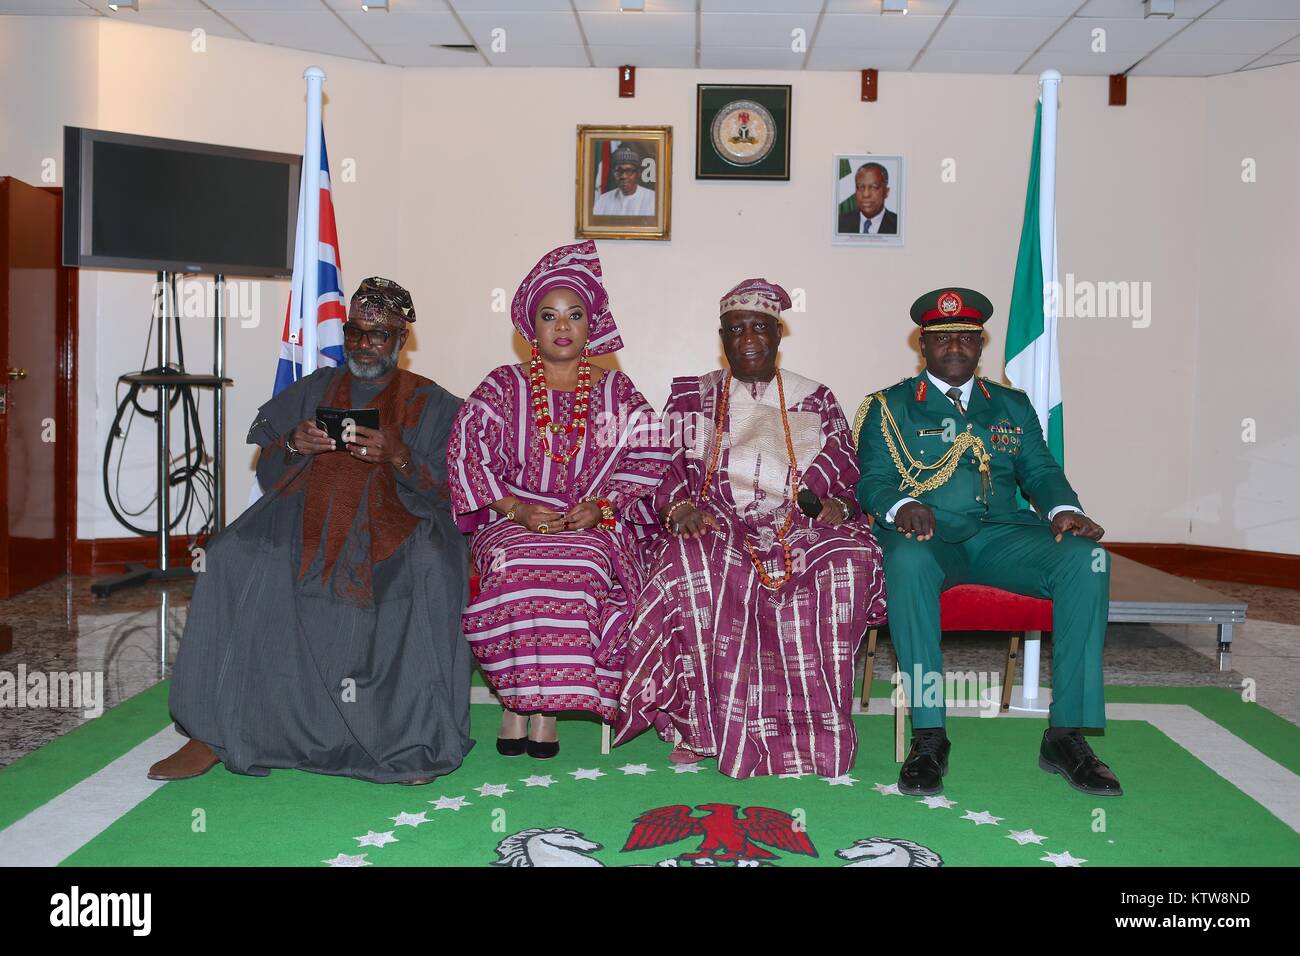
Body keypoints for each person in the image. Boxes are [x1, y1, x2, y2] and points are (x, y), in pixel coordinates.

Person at [149, 277, 472, 786]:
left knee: (428, 562)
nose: (365, 345)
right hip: (305, 513)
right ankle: (213, 731)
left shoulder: (430, 402)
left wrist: (399, 455)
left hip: (397, 519)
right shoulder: (315, 387)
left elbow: (454, 489)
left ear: (401, 339)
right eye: (355, 333)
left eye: (379, 335)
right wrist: (296, 444)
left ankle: (407, 741)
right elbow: (269, 470)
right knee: (230, 554)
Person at [614, 278, 888, 779]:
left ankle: (811, 734)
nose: (748, 339)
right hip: (716, 520)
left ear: (779, 334)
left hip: (797, 523)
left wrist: (838, 507)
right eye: (735, 330)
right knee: (688, 562)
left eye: (760, 327)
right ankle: (701, 726)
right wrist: (677, 509)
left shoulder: (814, 397)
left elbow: (847, 470)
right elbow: (657, 468)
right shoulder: (692, 397)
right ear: (722, 339)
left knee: (848, 561)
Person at [854, 287, 1120, 797]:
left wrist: (1065, 511)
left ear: (981, 345)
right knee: (906, 563)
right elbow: (871, 479)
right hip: (928, 536)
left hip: (1003, 535)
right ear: (923, 345)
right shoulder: (890, 406)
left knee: (1087, 560)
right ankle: (929, 736)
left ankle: (1067, 734)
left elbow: (1040, 472)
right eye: (942, 337)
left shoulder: (1011, 406)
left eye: (967, 337)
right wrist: (897, 507)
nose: (955, 345)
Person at [448, 240, 668, 759]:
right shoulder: (502, 386)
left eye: (574, 316)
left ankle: (544, 710)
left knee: (583, 563)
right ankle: (515, 703)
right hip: (512, 515)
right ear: (531, 327)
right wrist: (517, 510)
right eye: (549, 316)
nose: (562, 326)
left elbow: (653, 454)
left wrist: (604, 506)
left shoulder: (616, 390)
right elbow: (466, 454)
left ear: (592, 326)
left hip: (590, 520)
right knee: (514, 561)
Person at [592, 144, 656, 217]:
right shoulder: (603, 199)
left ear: (638, 173)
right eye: (619, 171)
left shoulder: (652, 199)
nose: (624, 176)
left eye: (629, 171)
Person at [837, 162, 897, 235]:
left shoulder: (898, 225)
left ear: (886, 192)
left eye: (874, 187)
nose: (866, 194)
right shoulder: (840, 223)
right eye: (861, 187)